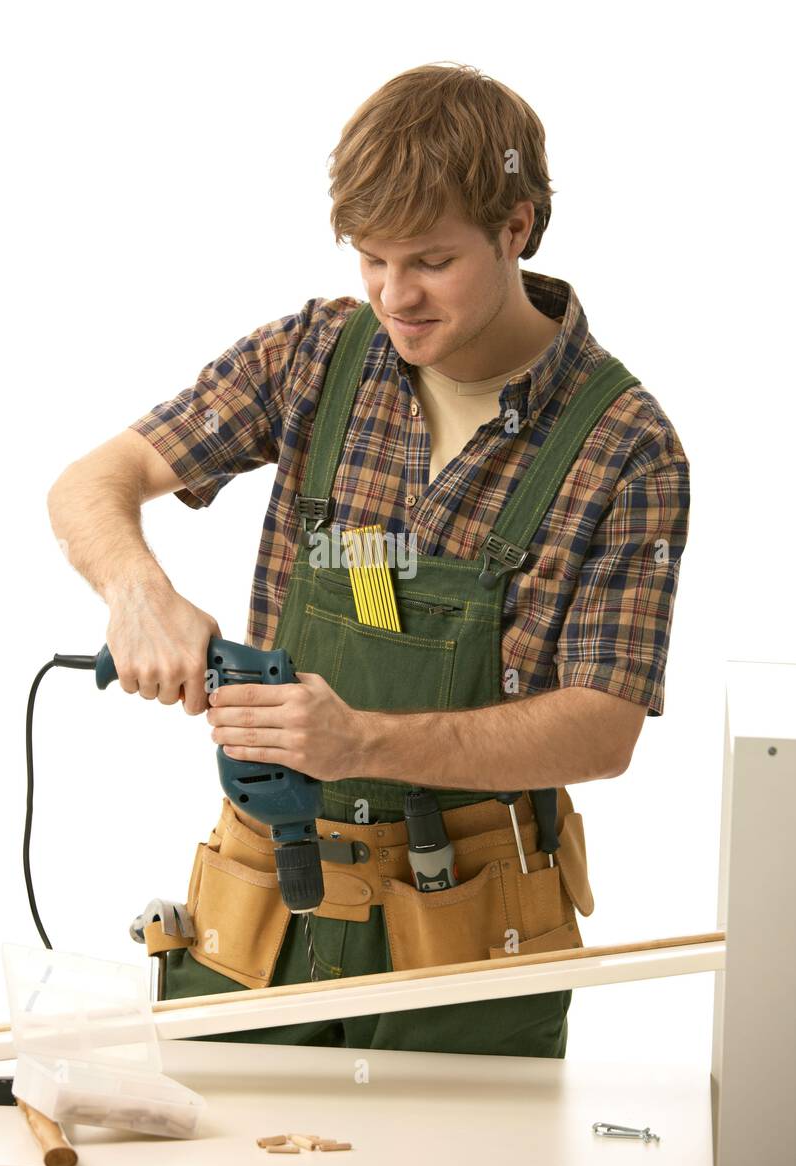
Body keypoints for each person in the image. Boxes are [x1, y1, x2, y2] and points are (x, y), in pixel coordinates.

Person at [47, 61, 690, 1058]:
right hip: (265, 904)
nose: (395, 295)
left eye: (430, 260)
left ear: (515, 227)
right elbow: (92, 482)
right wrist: (138, 594)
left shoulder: (621, 445)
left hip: (474, 927)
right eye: (372, 259)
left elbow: (600, 730)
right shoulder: (311, 357)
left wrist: (359, 742)